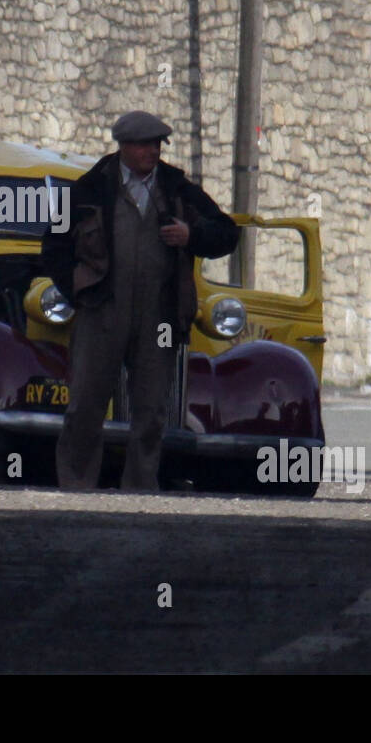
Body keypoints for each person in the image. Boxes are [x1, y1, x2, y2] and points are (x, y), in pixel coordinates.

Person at [41, 111, 240, 491]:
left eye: (158, 144)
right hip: (101, 313)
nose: (154, 151)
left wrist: (191, 235)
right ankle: (76, 488)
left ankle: (140, 489)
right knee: (84, 406)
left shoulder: (177, 188)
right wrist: (79, 291)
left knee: (151, 411)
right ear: (124, 147)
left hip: (161, 319)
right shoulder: (87, 189)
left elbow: (227, 233)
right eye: (146, 144)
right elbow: (52, 247)